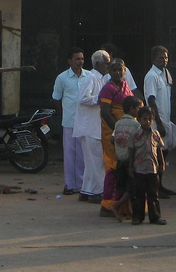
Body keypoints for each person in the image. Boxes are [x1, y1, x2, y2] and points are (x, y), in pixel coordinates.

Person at [98, 59, 134, 218]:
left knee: (124, 170)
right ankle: (107, 206)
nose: (117, 73)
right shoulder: (108, 89)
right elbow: (105, 112)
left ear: (125, 71)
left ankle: (122, 205)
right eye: (113, 70)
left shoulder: (126, 86)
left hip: (126, 134)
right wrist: (118, 130)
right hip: (112, 134)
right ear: (109, 72)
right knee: (113, 170)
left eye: (120, 70)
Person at [52, 48, 89, 195]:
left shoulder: (89, 76)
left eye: (81, 59)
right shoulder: (62, 78)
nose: (80, 62)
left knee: (84, 154)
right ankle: (70, 185)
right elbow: (56, 98)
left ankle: (83, 185)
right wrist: (64, 113)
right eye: (77, 59)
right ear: (69, 61)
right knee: (70, 154)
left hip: (86, 121)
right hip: (69, 121)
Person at [75, 50, 108, 204]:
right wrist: (101, 99)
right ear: (98, 64)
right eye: (106, 63)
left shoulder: (102, 78)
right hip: (90, 126)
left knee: (91, 162)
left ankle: (86, 191)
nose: (108, 66)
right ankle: (98, 192)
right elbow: (83, 98)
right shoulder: (91, 77)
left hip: (94, 125)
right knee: (97, 162)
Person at [142, 45, 176, 195]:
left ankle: (159, 185)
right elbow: (151, 100)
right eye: (161, 58)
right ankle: (154, 187)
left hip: (166, 119)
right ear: (153, 59)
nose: (164, 60)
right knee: (156, 155)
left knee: (164, 153)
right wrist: (159, 123)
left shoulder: (166, 73)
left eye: (166, 57)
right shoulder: (152, 76)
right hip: (157, 121)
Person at [129, 107, 167, 225]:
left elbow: (159, 150)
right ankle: (137, 217)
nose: (148, 122)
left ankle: (155, 217)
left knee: (153, 194)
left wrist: (162, 164)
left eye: (150, 119)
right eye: (145, 119)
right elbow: (131, 152)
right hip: (139, 169)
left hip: (153, 169)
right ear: (139, 120)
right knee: (138, 195)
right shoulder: (135, 135)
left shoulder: (156, 134)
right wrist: (130, 167)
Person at [111, 95, 142, 221]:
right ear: (132, 109)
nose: (141, 111)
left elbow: (112, 139)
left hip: (120, 159)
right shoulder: (136, 125)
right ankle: (117, 206)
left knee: (123, 187)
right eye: (139, 108)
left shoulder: (118, 123)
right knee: (132, 187)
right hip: (131, 161)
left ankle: (128, 212)